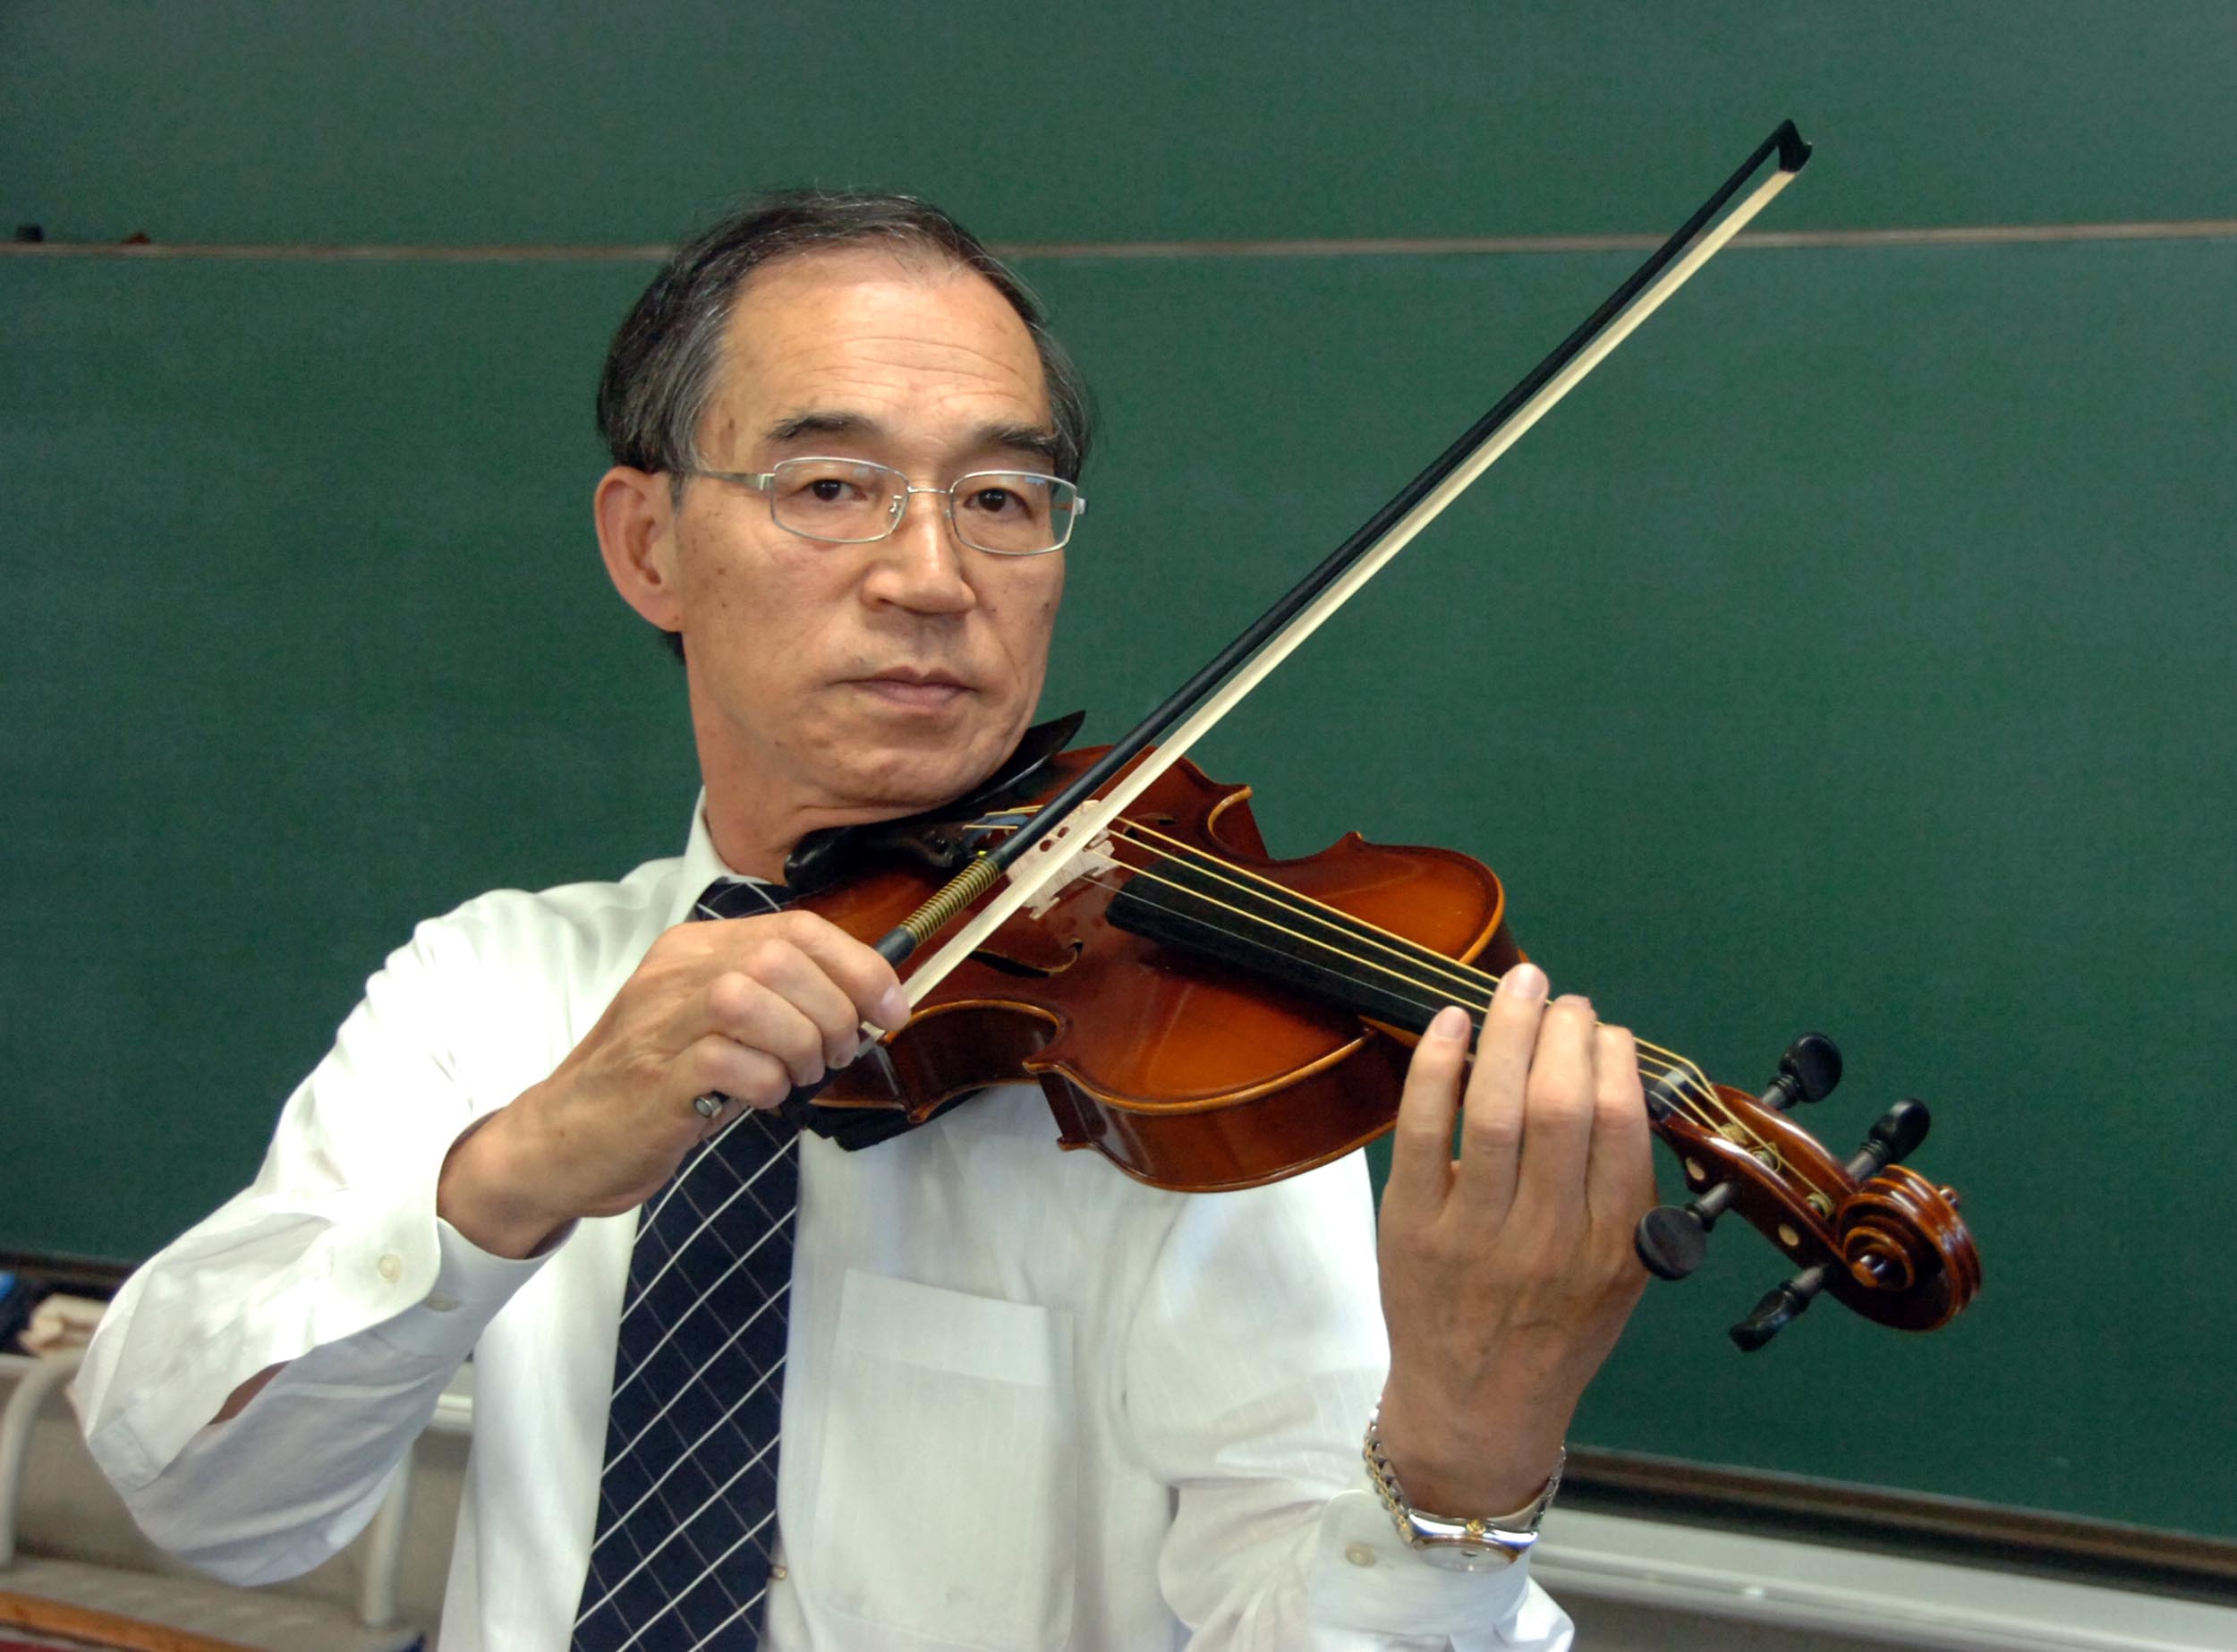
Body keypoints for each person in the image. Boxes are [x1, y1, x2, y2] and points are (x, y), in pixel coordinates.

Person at [74, 192, 1654, 1649]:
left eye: (1001, 496)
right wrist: (517, 1168)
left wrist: (1461, 1463)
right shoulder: (488, 983)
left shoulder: (1174, 1074)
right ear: (648, 543)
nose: (931, 573)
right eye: (830, 485)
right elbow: (204, 1495)